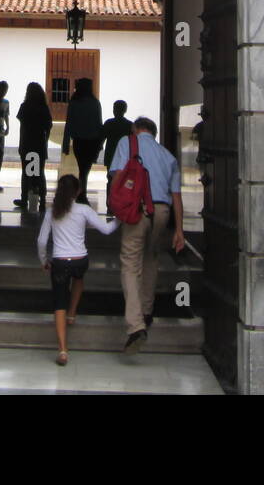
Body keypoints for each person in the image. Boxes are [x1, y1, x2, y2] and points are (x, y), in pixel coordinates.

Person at [108, 116, 184, 354]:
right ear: (154, 133)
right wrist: (179, 231)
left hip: (137, 210)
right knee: (151, 258)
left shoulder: (127, 143)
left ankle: (135, 326)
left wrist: (116, 206)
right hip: (162, 212)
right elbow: (176, 196)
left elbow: (117, 176)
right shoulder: (168, 156)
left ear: (135, 129)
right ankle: (147, 311)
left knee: (130, 264)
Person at [37, 174, 118, 366]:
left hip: (59, 262)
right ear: (78, 191)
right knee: (78, 278)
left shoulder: (52, 211)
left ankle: (63, 350)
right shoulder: (84, 210)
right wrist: (121, 218)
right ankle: (72, 313)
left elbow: (41, 241)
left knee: (59, 303)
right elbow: (107, 230)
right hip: (80, 260)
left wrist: (44, 260)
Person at [63, 77, 104, 204]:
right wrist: (100, 143)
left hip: (79, 141)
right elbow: (99, 123)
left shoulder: (74, 102)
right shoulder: (95, 103)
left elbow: (69, 123)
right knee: (85, 169)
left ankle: (81, 193)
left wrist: (66, 143)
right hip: (92, 141)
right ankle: (82, 193)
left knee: (82, 168)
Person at [14, 81, 53, 211]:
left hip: (27, 143)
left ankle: (24, 198)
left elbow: (22, 127)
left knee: (26, 172)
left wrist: (21, 144)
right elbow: (49, 126)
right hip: (39, 143)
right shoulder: (44, 108)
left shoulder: (25, 107)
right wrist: (45, 141)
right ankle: (43, 200)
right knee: (39, 172)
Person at [101, 99, 132, 211]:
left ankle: (110, 204)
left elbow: (101, 138)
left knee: (111, 179)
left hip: (111, 155)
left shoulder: (109, 123)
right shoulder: (129, 125)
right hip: (125, 157)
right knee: (125, 180)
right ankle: (122, 203)